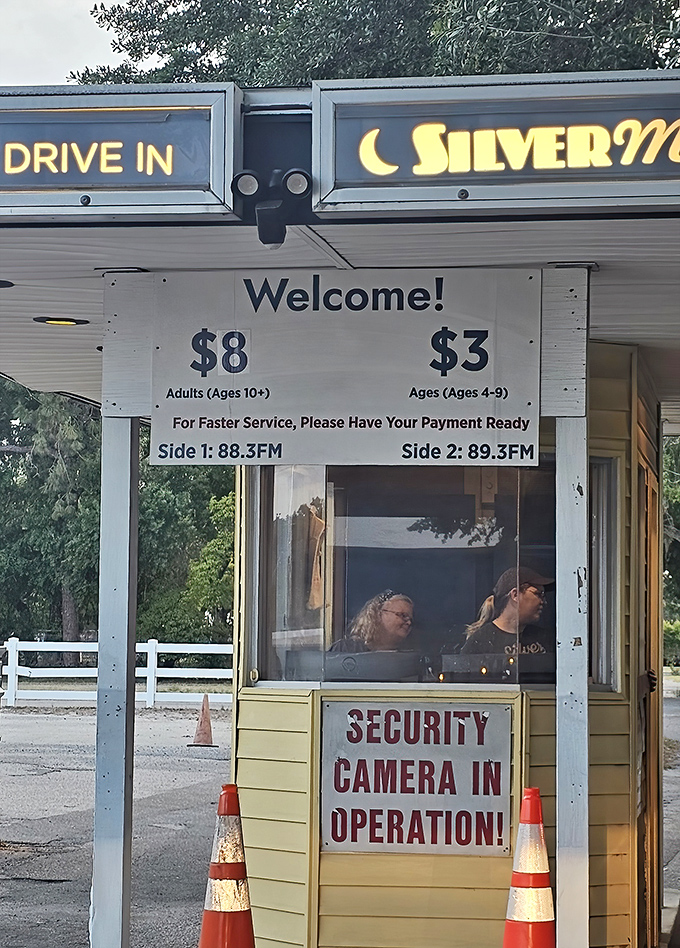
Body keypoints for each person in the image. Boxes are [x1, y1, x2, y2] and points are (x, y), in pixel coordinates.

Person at [461, 567, 555, 682]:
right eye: (538, 594)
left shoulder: (545, 637)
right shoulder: (480, 641)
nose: (543, 601)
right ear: (515, 594)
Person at [330, 590, 414, 652]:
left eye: (410, 619)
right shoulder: (346, 649)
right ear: (379, 614)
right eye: (403, 615)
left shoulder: (409, 659)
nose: (409, 623)